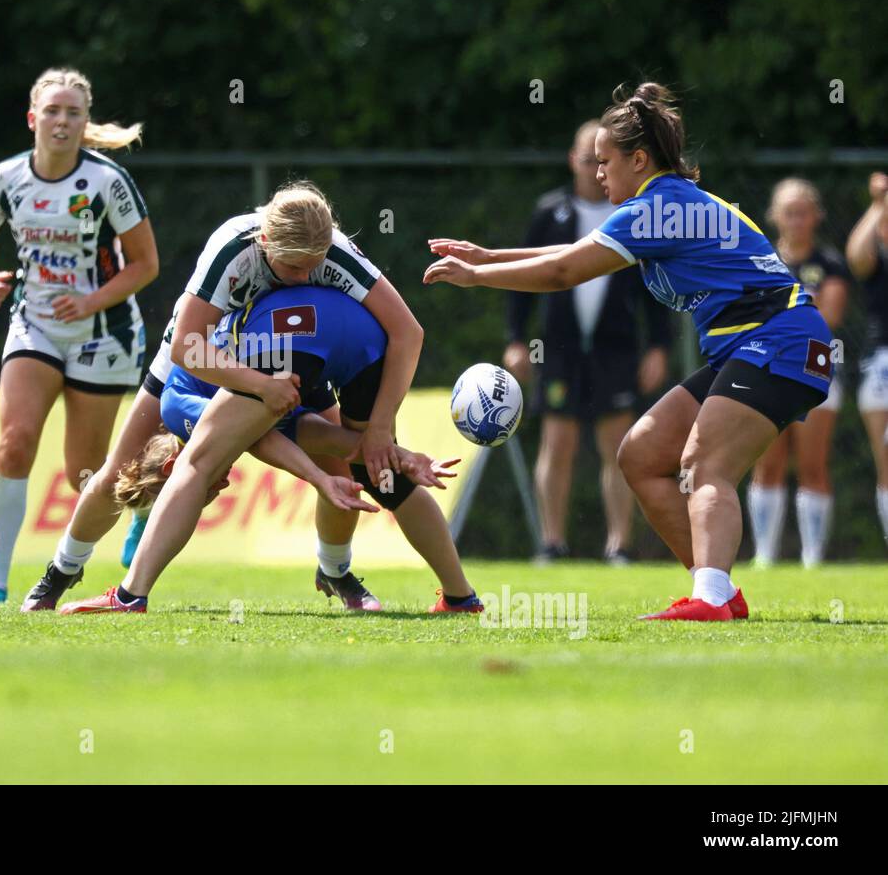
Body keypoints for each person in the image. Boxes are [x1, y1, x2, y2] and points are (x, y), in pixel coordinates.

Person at [425, 82, 834, 622]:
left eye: (605, 162)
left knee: (704, 463)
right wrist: (490, 253)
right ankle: (717, 591)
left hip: (779, 339)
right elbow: (574, 253)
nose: (598, 174)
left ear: (638, 159)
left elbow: (565, 270)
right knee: (640, 456)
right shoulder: (663, 204)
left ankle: (711, 597)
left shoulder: (660, 206)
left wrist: (478, 275)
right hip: (756, 345)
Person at [17, 182, 424, 612]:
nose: (305, 280)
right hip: (200, 359)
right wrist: (259, 385)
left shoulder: (334, 250)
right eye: (293, 270)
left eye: (314, 267)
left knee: (342, 470)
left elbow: (408, 333)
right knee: (118, 469)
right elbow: (186, 347)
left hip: (289, 353)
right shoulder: (231, 249)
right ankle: (62, 570)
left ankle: (337, 572)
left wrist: (380, 431)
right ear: (266, 243)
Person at [57, 285, 482, 614]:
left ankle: (131, 595)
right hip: (345, 335)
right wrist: (401, 456)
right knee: (376, 471)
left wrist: (322, 478)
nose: (217, 491)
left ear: (170, 460)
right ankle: (460, 597)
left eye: (205, 496)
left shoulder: (179, 403)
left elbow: (261, 438)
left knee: (204, 463)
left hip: (294, 341)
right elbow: (319, 437)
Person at [0, 68, 158, 602]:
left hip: (104, 332)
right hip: (35, 326)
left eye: (73, 113)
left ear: (85, 121)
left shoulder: (107, 182)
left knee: (87, 475)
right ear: (32, 119)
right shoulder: (4, 179)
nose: (62, 121)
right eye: (52, 111)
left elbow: (145, 264)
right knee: (14, 443)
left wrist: (91, 300)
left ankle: (142, 506)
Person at [501, 119, 670, 566]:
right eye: (586, 159)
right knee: (558, 440)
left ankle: (619, 545)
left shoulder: (632, 212)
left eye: (602, 161)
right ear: (572, 161)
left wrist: (659, 346)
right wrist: (516, 339)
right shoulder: (550, 213)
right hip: (559, 347)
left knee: (619, 443)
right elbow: (524, 281)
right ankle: (551, 542)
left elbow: (657, 285)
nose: (594, 170)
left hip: (616, 346)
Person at [747, 179, 850, 567]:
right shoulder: (761, 260)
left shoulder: (830, 263)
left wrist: (782, 317)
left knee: (812, 465)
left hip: (817, 370)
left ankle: (812, 559)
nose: (797, 220)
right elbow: (752, 317)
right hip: (766, 370)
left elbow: (831, 317)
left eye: (804, 211)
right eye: (789, 212)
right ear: (775, 217)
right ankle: (765, 557)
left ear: (817, 217)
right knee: (767, 463)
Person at [845, 170, 888, 546]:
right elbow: (856, 257)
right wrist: (877, 204)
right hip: (881, 362)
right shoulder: (877, 250)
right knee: (885, 463)